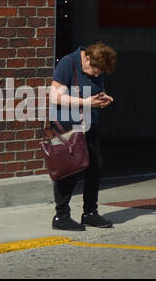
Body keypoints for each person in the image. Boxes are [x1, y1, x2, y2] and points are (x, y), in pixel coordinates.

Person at [48, 42, 117, 231]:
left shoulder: (97, 67)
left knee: (94, 167)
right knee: (68, 169)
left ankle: (90, 213)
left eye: (99, 72)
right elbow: (55, 97)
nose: (96, 74)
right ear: (87, 58)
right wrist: (86, 102)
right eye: (94, 70)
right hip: (67, 124)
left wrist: (102, 99)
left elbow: (94, 92)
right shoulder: (67, 63)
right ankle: (61, 216)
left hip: (89, 123)